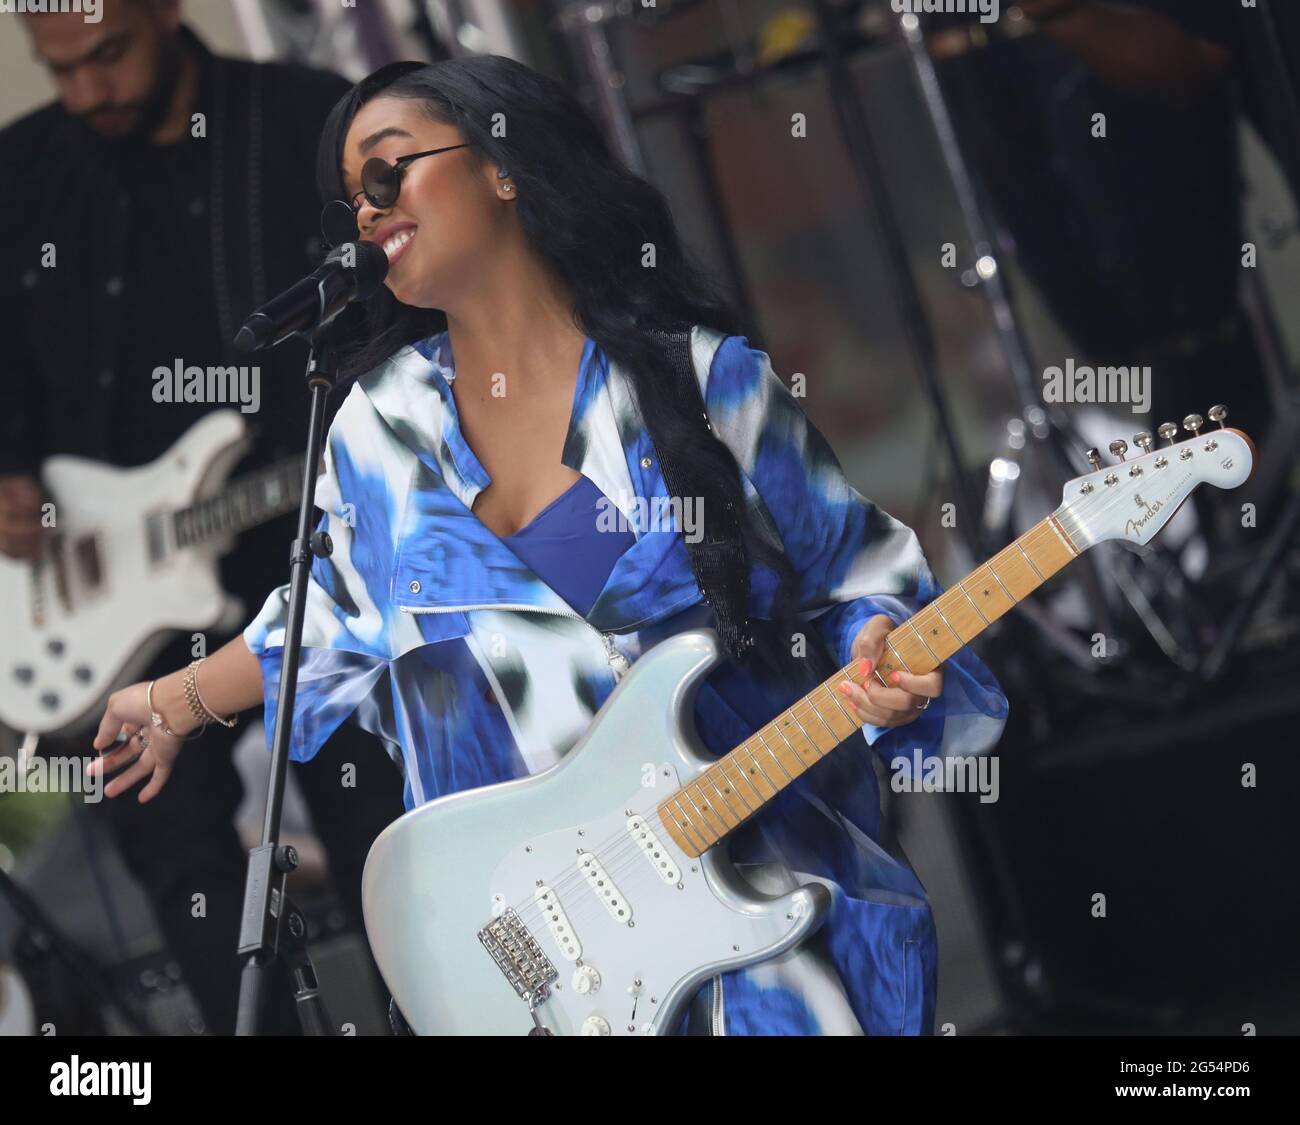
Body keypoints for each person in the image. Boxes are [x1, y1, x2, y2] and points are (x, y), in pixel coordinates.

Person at [88, 54, 1009, 1035]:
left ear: (503, 166)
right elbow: (331, 621)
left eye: (390, 174)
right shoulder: (378, 429)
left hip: (752, 922)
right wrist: (176, 700)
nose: (366, 213)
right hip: (535, 960)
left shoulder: (703, 387)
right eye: (350, 199)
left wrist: (879, 649)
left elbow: (860, 578)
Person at [0, 1, 404, 1034]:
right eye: (61, 70)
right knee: (167, 834)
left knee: (369, 795)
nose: (87, 90)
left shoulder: (306, 126)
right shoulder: (22, 173)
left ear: (165, 12)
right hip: (105, 581)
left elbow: (397, 310)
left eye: (109, 56)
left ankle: (429, 1009)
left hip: (303, 535)